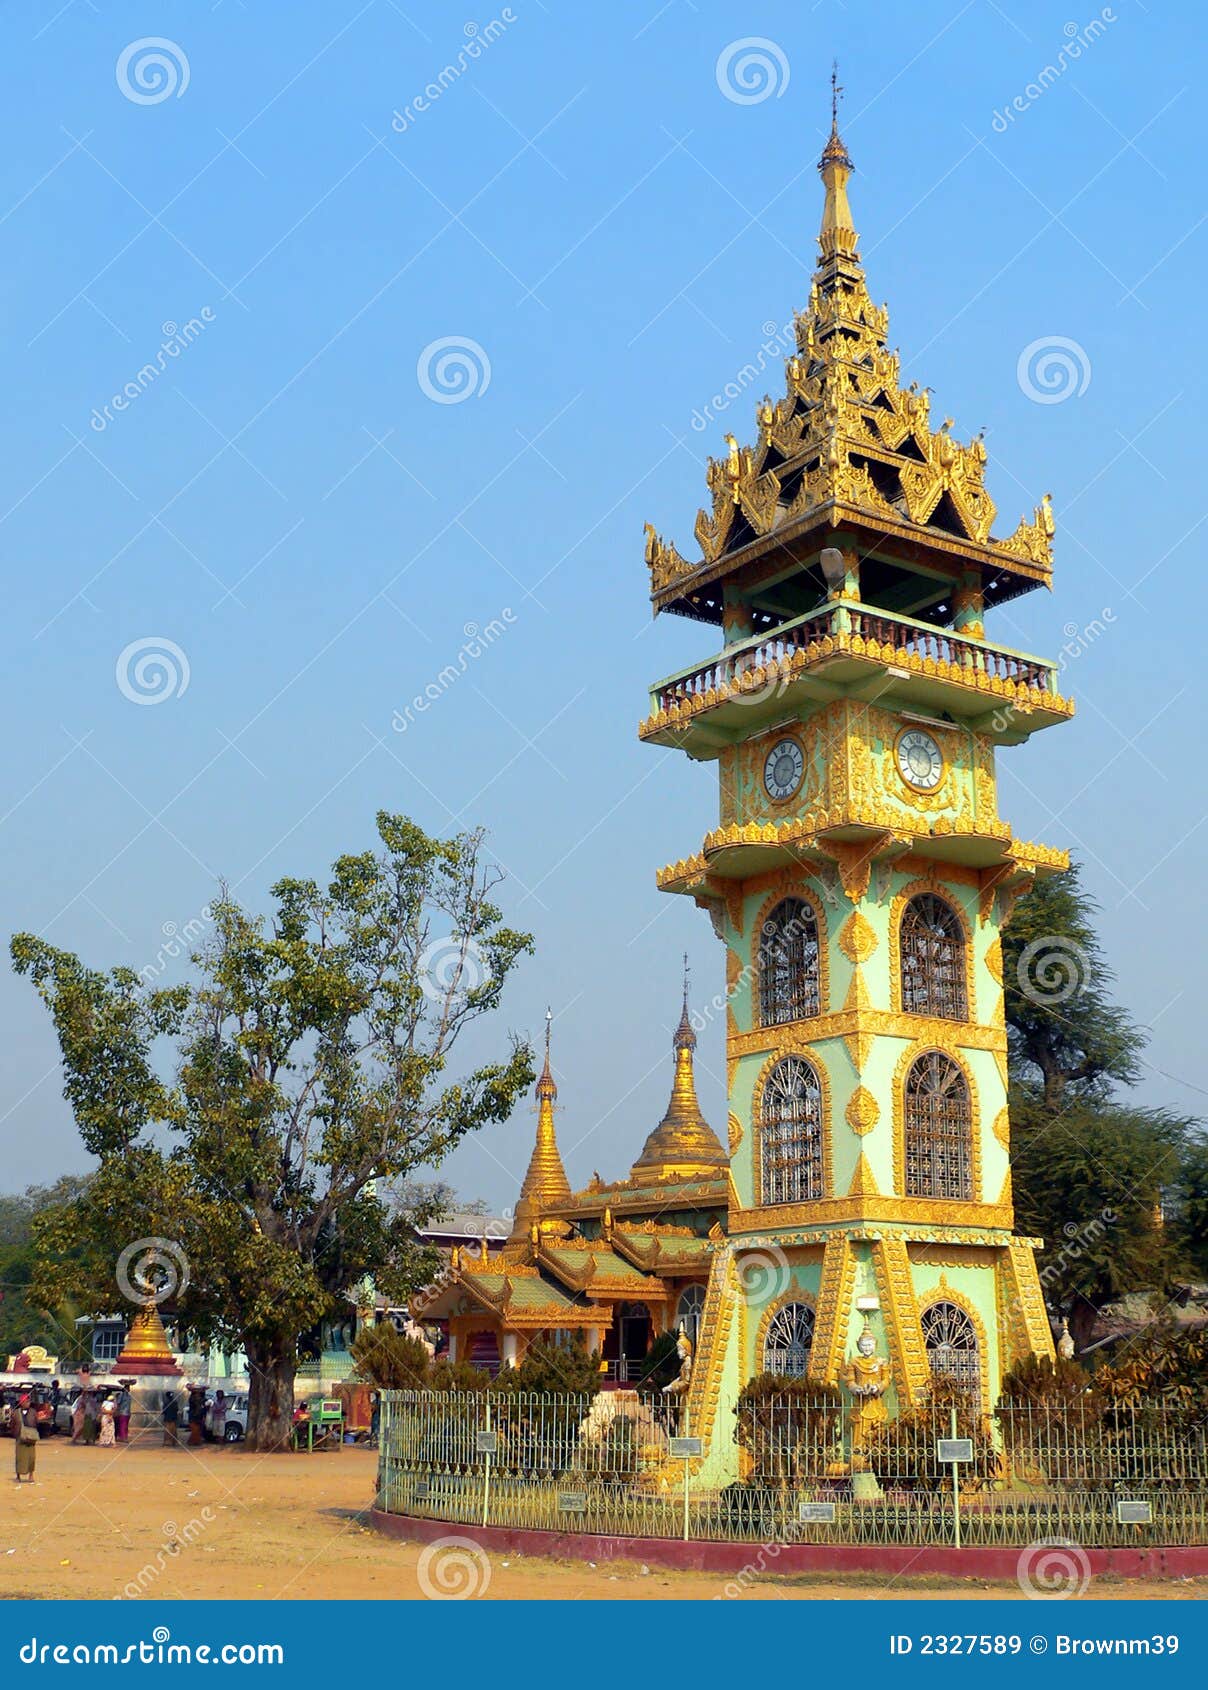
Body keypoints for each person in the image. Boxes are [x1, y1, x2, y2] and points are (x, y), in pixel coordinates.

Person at [13, 1392, 38, 1484]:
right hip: (20, 1437)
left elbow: (36, 1423)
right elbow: (13, 1425)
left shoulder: (33, 1412)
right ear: (21, 1403)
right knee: (19, 1457)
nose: (27, 1403)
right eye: (25, 1401)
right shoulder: (16, 1413)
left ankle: (31, 1475)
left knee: (31, 1457)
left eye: (28, 1401)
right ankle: (18, 1476)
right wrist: (16, 1434)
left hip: (31, 1437)